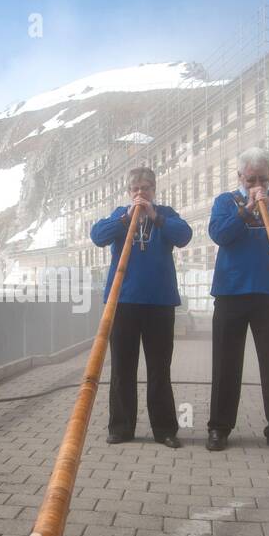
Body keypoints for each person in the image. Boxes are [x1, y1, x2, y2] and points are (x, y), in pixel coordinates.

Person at [206, 148, 269, 453]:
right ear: (239, 177)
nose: (256, 185)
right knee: (225, 364)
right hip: (230, 292)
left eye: (262, 179)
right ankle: (219, 428)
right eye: (251, 179)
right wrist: (245, 211)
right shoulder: (225, 202)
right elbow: (219, 234)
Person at [90, 166, 192, 447]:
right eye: (135, 189)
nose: (140, 192)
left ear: (154, 190)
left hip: (159, 302)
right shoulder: (119, 215)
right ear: (129, 192)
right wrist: (125, 219)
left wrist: (154, 216)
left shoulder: (166, 214)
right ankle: (121, 427)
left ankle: (165, 429)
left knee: (160, 368)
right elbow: (98, 236)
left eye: (145, 188)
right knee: (122, 367)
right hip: (122, 302)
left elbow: (184, 236)